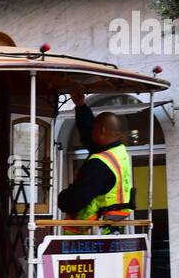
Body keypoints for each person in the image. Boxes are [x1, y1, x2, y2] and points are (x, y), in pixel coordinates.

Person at [57, 93, 133, 232]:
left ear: (102, 130)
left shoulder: (99, 163)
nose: (90, 133)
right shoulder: (118, 153)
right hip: (110, 233)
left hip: (90, 238)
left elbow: (75, 201)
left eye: (93, 129)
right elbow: (87, 136)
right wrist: (81, 106)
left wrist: (62, 197)